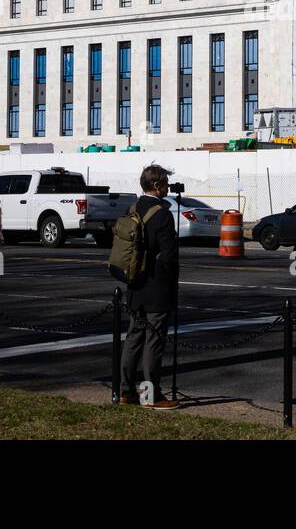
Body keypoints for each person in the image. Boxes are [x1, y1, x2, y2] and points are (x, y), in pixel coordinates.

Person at [119, 163, 179, 409]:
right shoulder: (162, 214)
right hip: (156, 288)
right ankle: (150, 396)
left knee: (134, 338)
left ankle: (125, 391)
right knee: (153, 342)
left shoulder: (133, 208)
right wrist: (172, 281)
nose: (167, 187)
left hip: (135, 284)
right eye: (164, 182)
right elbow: (168, 255)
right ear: (156, 185)